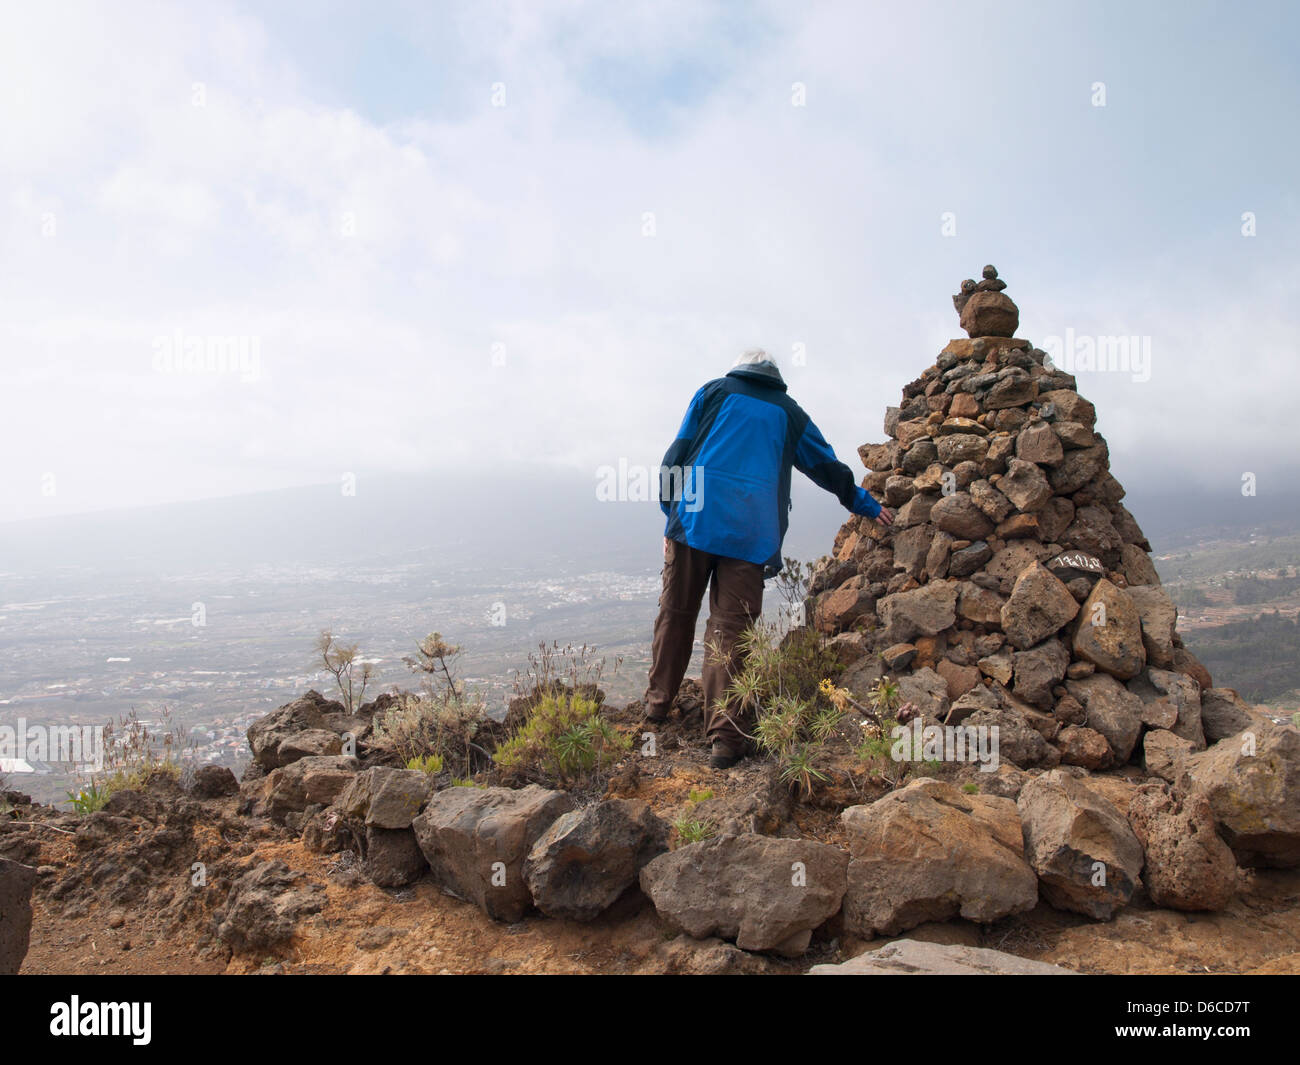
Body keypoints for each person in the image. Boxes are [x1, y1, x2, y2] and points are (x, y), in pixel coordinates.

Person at [644, 349, 894, 769]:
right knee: (730, 630)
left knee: (676, 612)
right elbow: (825, 465)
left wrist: (670, 516)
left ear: (741, 367)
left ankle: (656, 705)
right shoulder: (788, 413)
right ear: (775, 377)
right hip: (750, 533)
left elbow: (676, 455)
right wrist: (864, 503)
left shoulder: (712, 393)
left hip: (694, 521)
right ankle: (725, 741)